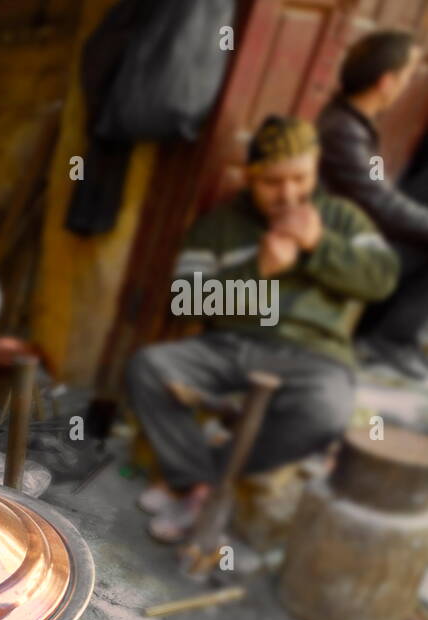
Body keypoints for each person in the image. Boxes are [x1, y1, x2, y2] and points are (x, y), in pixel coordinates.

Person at [127, 116, 398, 543]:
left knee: (327, 410)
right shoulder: (220, 225)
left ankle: (201, 479)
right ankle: (198, 486)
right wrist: (259, 271)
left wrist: (318, 246)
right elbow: (185, 302)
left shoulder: (340, 218)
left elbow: (382, 278)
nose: (288, 194)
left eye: (300, 178)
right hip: (229, 345)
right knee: (149, 368)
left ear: (315, 172)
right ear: (251, 177)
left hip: (314, 354)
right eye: (273, 182)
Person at [317, 30, 428, 379]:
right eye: (408, 76)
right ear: (385, 82)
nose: (410, 84)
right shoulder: (343, 130)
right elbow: (379, 203)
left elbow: (378, 194)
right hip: (331, 242)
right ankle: (387, 340)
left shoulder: (352, 123)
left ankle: (389, 338)